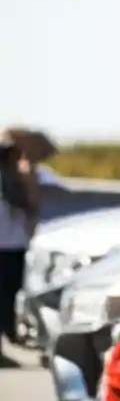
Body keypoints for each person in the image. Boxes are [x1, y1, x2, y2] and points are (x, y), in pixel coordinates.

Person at [0, 127, 53, 364]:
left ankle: (12, 336)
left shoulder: (20, 177)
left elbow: (33, 204)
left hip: (14, 247)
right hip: (8, 247)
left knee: (10, 297)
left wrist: (26, 157)